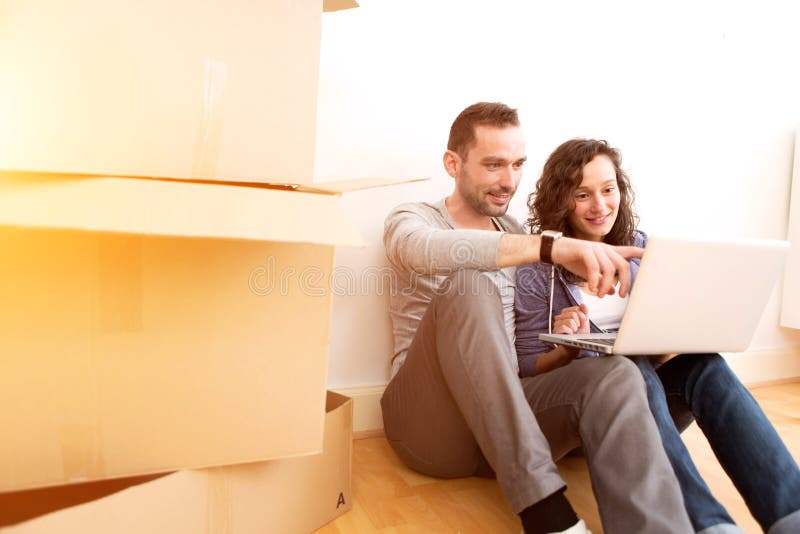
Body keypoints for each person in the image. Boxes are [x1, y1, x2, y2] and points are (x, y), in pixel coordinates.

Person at [381, 102, 693, 534]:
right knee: (470, 285)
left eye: (517, 164)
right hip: (431, 429)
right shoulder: (412, 219)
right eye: (493, 164)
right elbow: (423, 251)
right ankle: (547, 516)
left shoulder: (518, 236)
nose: (508, 179)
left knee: (616, 373)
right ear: (453, 163)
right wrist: (550, 247)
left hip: (507, 426)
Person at [515, 138, 800, 534]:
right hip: (595, 419)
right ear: (560, 200)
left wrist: (679, 336)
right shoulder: (536, 272)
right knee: (630, 368)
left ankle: (790, 513)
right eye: (582, 194)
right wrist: (565, 348)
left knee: (706, 365)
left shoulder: (643, 248)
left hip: (654, 406)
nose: (600, 205)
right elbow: (526, 366)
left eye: (608, 189)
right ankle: (708, 525)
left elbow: (670, 340)